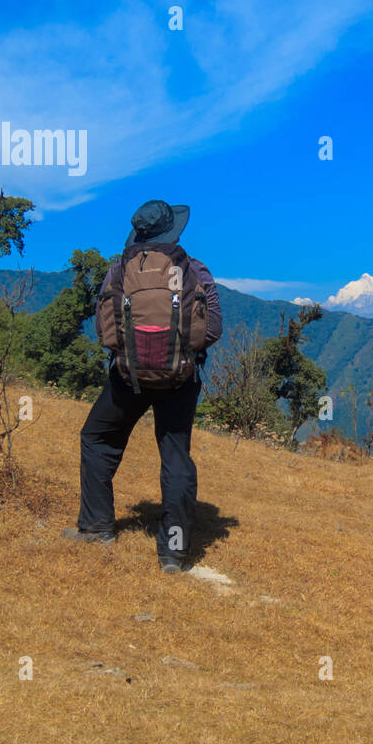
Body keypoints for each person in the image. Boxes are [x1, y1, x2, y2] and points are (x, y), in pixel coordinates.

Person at [63, 200, 223, 573]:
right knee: (175, 456)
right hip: (180, 379)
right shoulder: (195, 270)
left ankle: (97, 527)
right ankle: (173, 552)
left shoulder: (118, 270)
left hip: (128, 377)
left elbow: (105, 331)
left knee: (97, 437)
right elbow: (211, 330)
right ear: (174, 232)